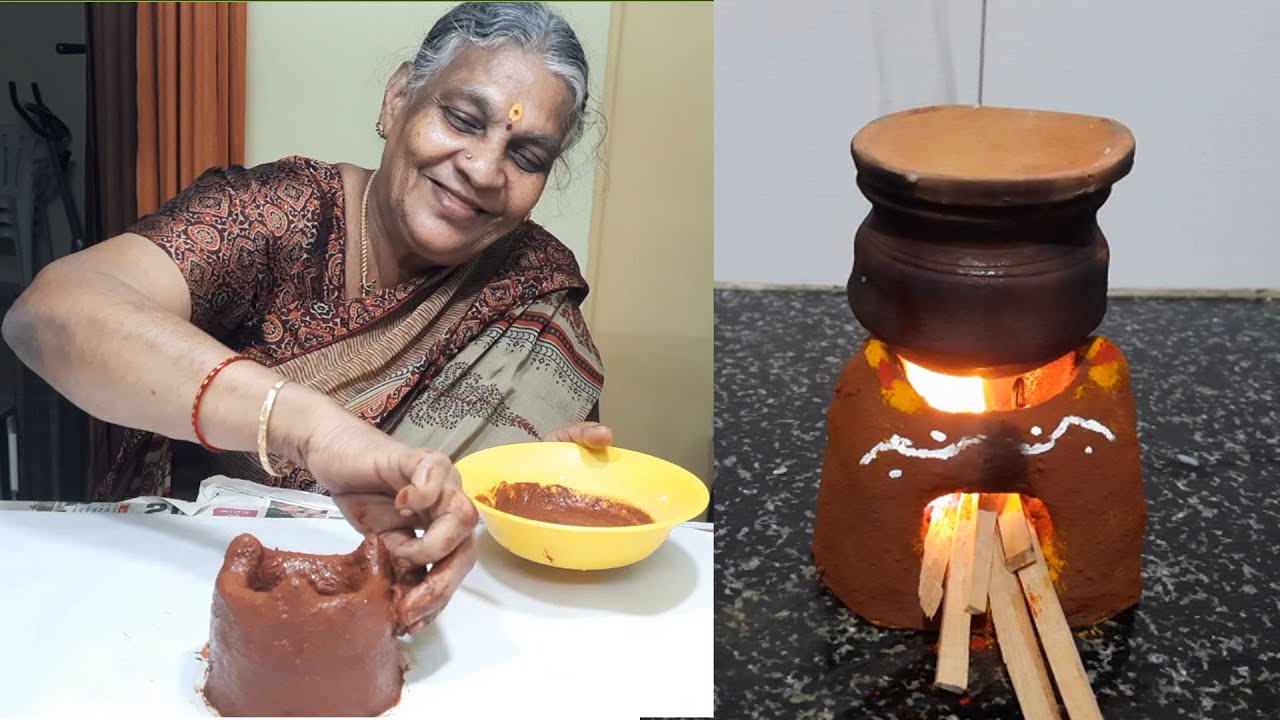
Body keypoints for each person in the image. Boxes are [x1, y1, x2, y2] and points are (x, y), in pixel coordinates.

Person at [1, 2, 611, 635]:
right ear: (399, 96)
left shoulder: (533, 282)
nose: (484, 169)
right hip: (199, 611)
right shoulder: (276, 216)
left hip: (430, 633)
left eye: (528, 156)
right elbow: (50, 313)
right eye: (461, 118)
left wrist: (547, 477)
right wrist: (316, 431)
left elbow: (520, 476)